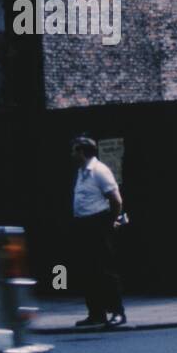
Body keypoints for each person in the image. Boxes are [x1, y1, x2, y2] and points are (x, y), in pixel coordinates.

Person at [70, 135, 127, 328]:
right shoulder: (82, 172)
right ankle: (96, 313)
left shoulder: (99, 171)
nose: (72, 154)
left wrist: (112, 220)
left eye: (74, 150)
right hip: (84, 225)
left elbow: (116, 200)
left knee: (105, 269)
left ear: (81, 151)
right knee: (88, 270)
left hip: (98, 223)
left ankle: (118, 312)